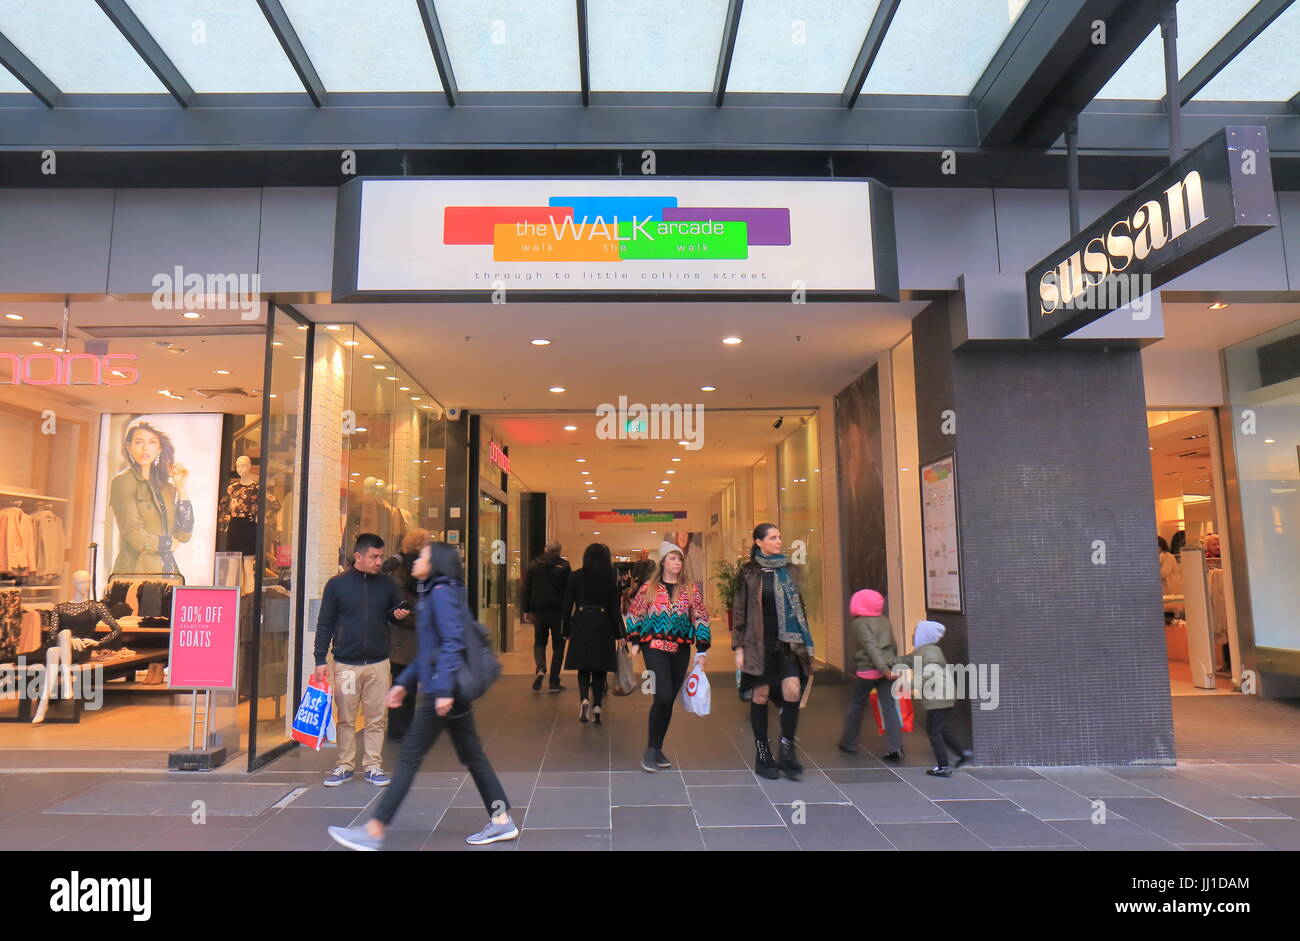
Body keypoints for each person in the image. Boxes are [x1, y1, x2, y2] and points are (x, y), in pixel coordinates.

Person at [328, 542, 519, 850]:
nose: (417, 560)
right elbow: (430, 650)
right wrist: (404, 683)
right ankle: (501, 820)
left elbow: (452, 643)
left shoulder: (441, 595)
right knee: (473, 756)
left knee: (409, 759)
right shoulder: (436, 592)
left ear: (437, 563)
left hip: (441, 691)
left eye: (425, 556)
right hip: (446, 688)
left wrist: (442, 691)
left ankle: (374, 829)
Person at [314, 533, 411, 787]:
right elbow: (325, 623)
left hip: (379, 663)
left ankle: (373, 766)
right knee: (346, 717)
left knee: (376, 718)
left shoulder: (388, 584)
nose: (379, 562)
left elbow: (393, 613)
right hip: (346, 663)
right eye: (373, 557)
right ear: (358, 556)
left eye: (380, 556)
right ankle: (344, 766)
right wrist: (320, 659)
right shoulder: (337, 585)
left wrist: (398, 615)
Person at [732, 523, 814, 781]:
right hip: (758, 641)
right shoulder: (748, 572)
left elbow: (800, 607)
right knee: (761, 693)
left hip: (787, 642)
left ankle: (787, 748)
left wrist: (804, 640)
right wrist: (739, 647)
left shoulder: (792, 571)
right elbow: (739, 610)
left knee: (792, 690)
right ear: (759, 542)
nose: (779, 542)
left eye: (780, 537)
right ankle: (763, 752)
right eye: (773, 537)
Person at [625, 541, 710, 772]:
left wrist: (702, 649)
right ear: (663, 561)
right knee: (661, 696)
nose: (677, 563)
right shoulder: (648, 589)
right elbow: (634, 614)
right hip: (654, 647)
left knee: (669, 699)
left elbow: (701, 618)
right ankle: (651, 750)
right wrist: (634, 641)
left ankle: (657, 748)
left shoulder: (691, 590)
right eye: (673, 558)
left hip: (680, 648)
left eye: (680, 559)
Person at [109, 420, 193, 576]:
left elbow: (184, 534)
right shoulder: (122, 482)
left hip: (167, 571)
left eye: (152, 442)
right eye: (139, 442)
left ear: (159, 448)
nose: (145, 448)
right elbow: (135, 535)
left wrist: (181, 488)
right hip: (135, 572)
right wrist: (168, 544)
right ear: (129, 447)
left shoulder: (166, 487)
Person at [560, 543, 624, 725]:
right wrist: (620, 634)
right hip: (603, 623)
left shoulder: (575, 576)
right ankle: (597, 706)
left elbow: (566, 606)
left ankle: (584, 699)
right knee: (599, 667)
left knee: (583, 665)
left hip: (581, 621)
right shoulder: (609, 578)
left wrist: (565, 630)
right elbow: (614, 608)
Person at [837, 589, 903, 761]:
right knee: (889, 707)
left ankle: (849, 743)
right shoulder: (884, 620)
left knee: (856, 705)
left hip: (869, 670)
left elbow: (871, 647)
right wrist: (891, 667)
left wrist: (883, 669)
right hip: (887, 668)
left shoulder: (859, 623)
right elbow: (892, 645)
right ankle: (895, 748)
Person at [910, 619, 973, 777]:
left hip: (938, 697)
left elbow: (925, 673)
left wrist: (910, 687)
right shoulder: (926, 650)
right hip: (943, 695)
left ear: (923, 635)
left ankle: (943, 766)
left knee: (933, 732)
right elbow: (909, 661)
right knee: (939, 728)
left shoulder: (927, 652)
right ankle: (962, 753)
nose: (913, 634)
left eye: (916, 631)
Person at [384, 528, 430, 740]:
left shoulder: (401, 572)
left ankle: (401, 728)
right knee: (405, 686)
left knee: (404, 684)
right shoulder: (414, 573)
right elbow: (402, 609)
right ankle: (400, 729)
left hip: (404, 640)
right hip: (409, 637)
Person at [521, 542, 571, 692]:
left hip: (539, 611)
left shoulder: (533, 565)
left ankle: (541, 667)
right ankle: (554, 682)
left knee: (539, 642)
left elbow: (526, 588)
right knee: (558, 646)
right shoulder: (565, 566)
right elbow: (569, 591)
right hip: (558, 613)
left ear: (545, 550)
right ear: (559, 551)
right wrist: (569, 613)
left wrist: (526, 609)